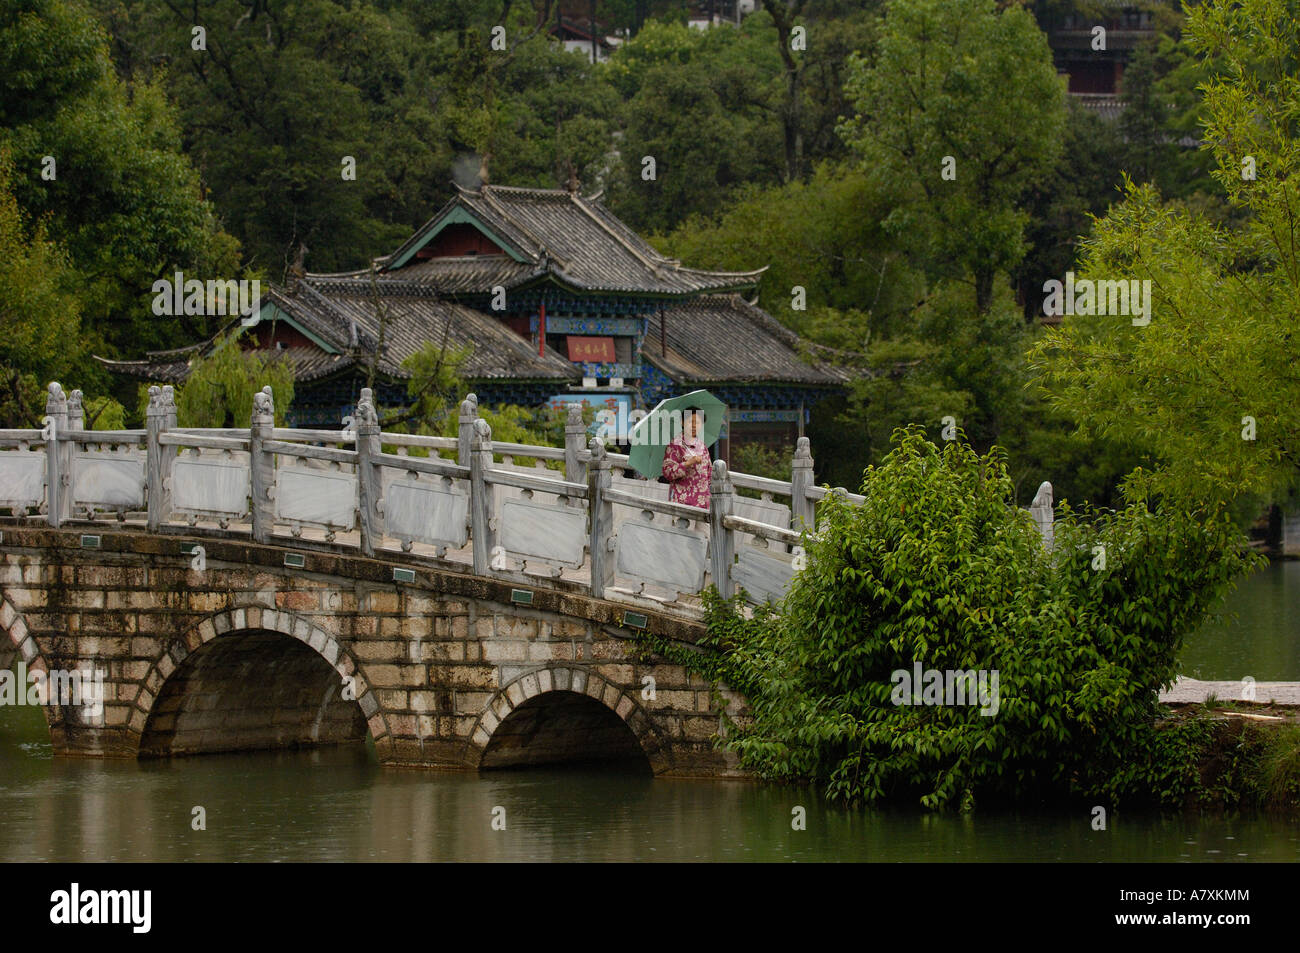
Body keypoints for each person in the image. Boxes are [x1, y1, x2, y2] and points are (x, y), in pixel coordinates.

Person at [660, 407, 710, 509]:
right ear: (682, 422)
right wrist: (688, 463)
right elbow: (667, 472)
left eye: (698, 423)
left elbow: (709, 474)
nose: (694, 426)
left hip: (702, 503)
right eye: (691, 422)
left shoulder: (702, 446)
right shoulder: (675, 445)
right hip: (682, 501)